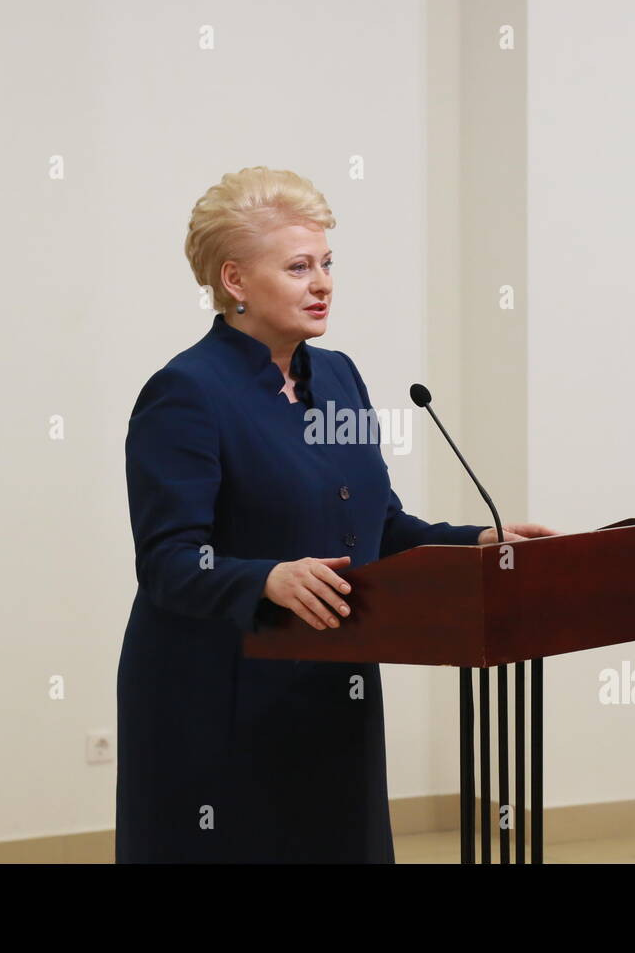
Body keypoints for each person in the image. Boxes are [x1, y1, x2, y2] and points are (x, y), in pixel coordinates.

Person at [116, 166, 554, 863]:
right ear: (234, 281)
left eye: (326, 264)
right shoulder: (187, 393)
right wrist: (266, 578)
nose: (322, 283)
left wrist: (479, 539)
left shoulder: (340, 378)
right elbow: (168, 560)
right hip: (219, 690)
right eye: (297, 267)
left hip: (331, 681)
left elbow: (380, 524)